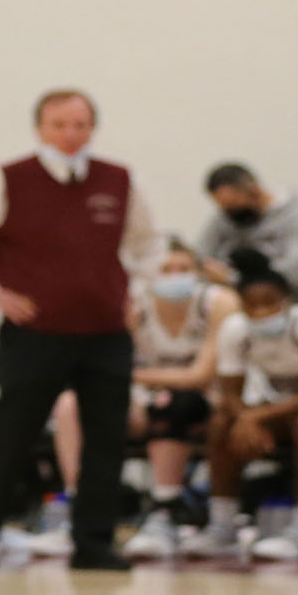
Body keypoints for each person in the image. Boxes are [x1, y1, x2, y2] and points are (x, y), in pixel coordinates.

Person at [0, 88, 161, 571]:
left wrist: (137, 292)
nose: (70, 134)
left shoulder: (119, 179)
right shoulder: (6, 178)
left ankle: (94, 544)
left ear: (93, 128)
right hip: (36, 333)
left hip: (105, 333)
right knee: (8, 437)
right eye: (59, 125)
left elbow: (147, 243)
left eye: (80, 125)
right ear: (39, 129)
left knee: (105, 441)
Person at [40, 239, 238, 559]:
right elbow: (108, 364)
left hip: (210, 403)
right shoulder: (133, 304)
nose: (174, 276)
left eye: (183, 268)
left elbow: (199, 376)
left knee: (172, 402)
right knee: (70, 404)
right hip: (146, 397)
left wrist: (135, 376)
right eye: (165, 269)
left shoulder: (219, 302)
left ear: (200, 272)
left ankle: (166, 511)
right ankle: (79, 509)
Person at [179, 268, 298, 560]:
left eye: (270, 303)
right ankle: (222, 527)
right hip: (272, 408)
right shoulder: (234, 328)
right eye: (251, 305)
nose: (261, 312)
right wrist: (246, 419)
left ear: (288, 301)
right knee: (221, 421)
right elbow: (230, 391)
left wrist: (254, 418)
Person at [196, 162, 298, 305]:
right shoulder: (224, 218)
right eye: (223, 206)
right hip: (232, 308)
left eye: (233, 203)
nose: (229, 213)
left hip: (288, 307)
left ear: (254, 189)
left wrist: (234, 279)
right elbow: (200, 256)